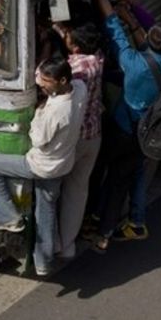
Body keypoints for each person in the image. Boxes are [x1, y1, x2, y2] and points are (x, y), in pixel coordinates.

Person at [90, 0, 161, 252]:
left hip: (121, 126)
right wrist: (133, 21)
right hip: (144, 134)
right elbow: (143, 40)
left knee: (97, 168)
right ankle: (104, 233)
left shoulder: (132, 62)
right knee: (120, 181)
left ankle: (90, 216)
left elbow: (112, 26)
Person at [0, 57, 87, 276]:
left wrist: (38, 111)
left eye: (46, 80)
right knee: (45, 210)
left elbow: (38, 139)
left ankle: (7, 217)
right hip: (63, 164)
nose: (41, 83)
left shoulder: (55, 110)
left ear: (62, 80)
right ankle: (43, 261)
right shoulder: (80, 89)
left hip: (40, 165)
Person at [56, 23, 105, 259]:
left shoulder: (74, 71)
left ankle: (52, 241)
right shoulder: (98, 59)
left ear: (74, 47)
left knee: (54, 188)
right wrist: (60, 29)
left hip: (73, 140)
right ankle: (68, 244)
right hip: (93, 135)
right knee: (77, 191)